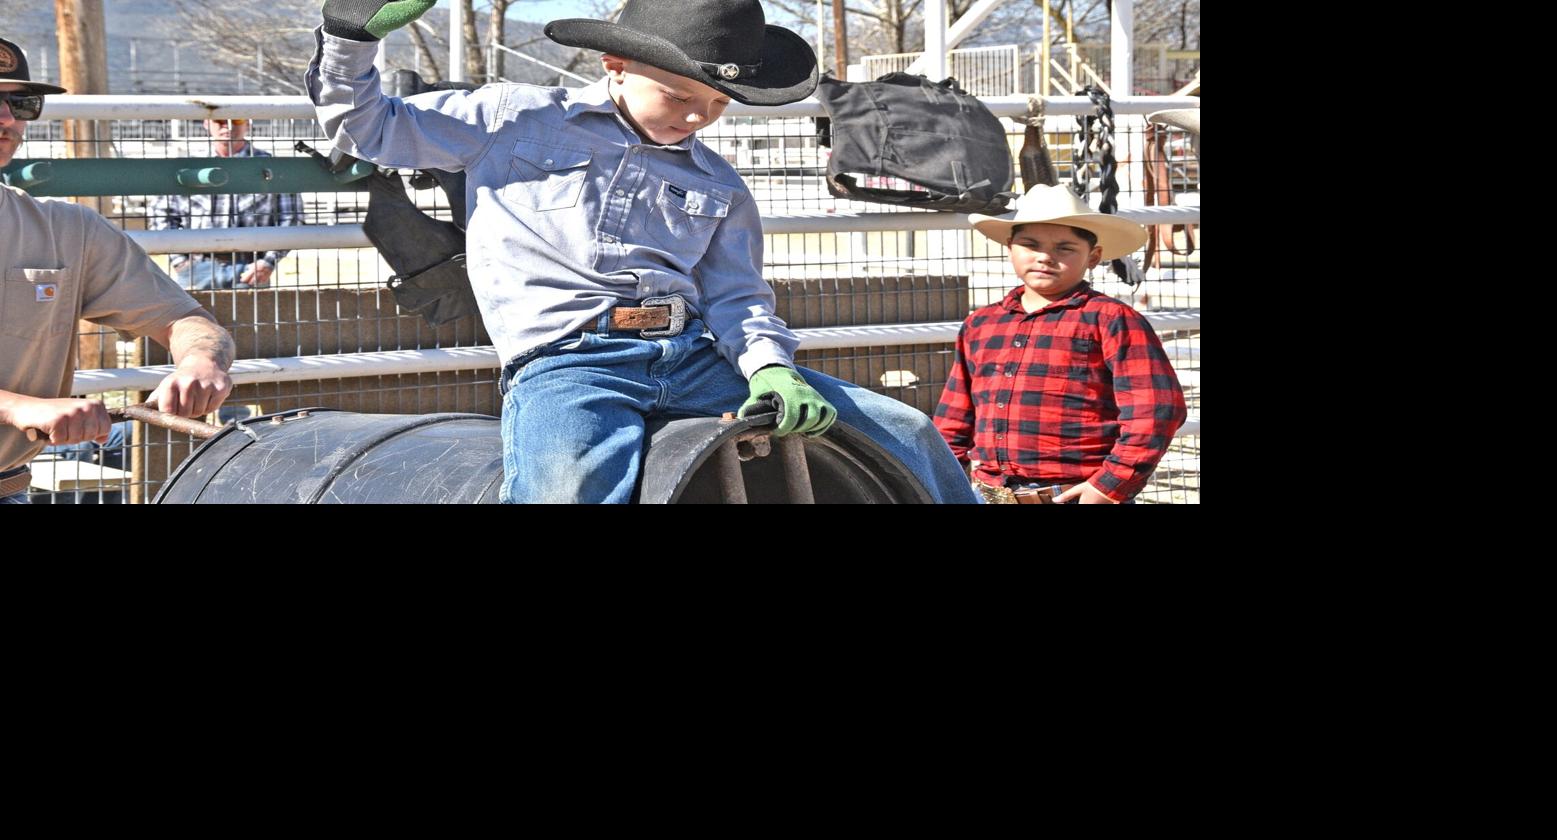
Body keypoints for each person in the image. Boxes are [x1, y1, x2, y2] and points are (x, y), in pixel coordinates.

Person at [308, 0, 975, 503]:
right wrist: (349, 39)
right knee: (569, 485)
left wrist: (771, 368)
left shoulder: (717, 183)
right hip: (571, 365)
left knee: (904, 427)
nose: (696, 117)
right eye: (679, 95)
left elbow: (737, 297)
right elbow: (369, 129)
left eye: (717, 103)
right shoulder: (511, 118)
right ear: (615, 65)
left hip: (695, 358)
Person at [1, 37, 237, 504]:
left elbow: (186, 321)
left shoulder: (68, 230)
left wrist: (201, 362)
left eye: (21, 102)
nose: (6, 118)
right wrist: (19, 407)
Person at [935, 184, 1185, 504]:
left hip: (1077, 494)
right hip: (988, 494)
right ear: (1010, 247)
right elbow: (954, 416)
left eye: (1065, 248)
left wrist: (1109, 486)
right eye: (1030, 244)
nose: (1045, 257)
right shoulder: (982, 324)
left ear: (1092, 257)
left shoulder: (1110, 319)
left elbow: (1157, 409)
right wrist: (946, 481)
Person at [148, 117, 305, 290]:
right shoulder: (188, 166)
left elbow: (292, 219)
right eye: (220, 120)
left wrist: (267, 262)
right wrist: (180, 262)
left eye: (236, 120)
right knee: (192, 318)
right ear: (207, 124)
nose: (228, 126)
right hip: (197, 266)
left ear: (248, 124)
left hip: (251, 268)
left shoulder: (271, 167)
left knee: (252, 317)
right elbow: (161, 212)